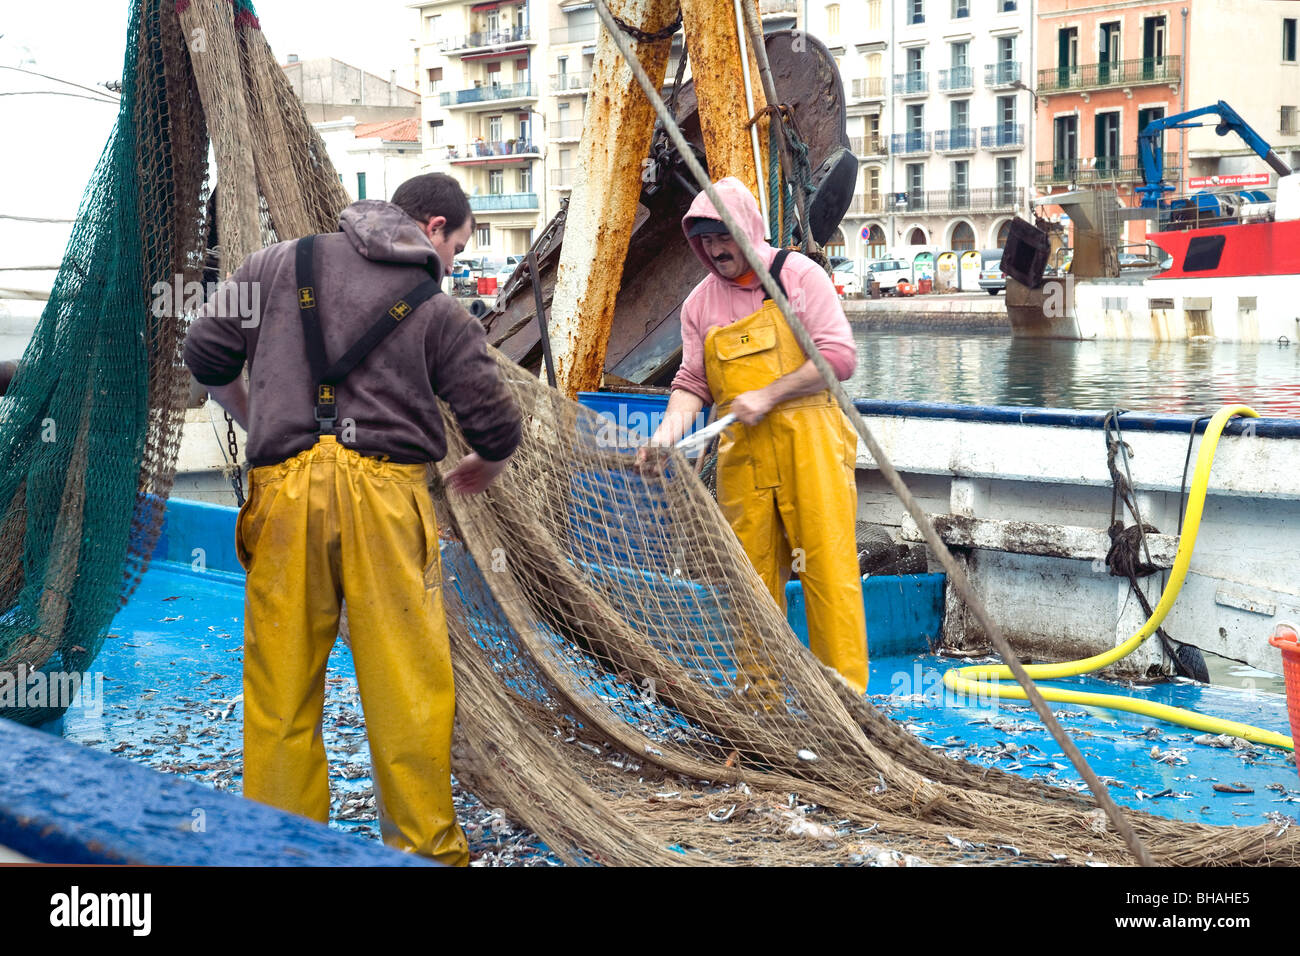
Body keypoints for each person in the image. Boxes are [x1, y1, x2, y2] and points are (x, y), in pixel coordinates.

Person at [183, 172, 522, 866]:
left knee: (279, 690)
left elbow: (204, 354)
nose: (452, 264)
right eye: (456, 248)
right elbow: (494, 419)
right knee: (408, 689)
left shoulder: (278, 262)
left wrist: (259, 417)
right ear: (432, 228)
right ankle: (425, 854)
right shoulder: (436, 307)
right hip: (386, 500)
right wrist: (486, 463)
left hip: (283, 494)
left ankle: (280, 853)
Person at [644, 176, 868, 696]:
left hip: (808, 441)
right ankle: (761, 706)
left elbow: (839, 358)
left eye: (725, 236)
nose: (717, 250)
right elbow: (692, 385)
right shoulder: (699, 304)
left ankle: (850, 711)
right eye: (705, 240)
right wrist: (665, 437)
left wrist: (768, 395)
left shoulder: (797, 276)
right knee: (751, 584)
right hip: (742, 457)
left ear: (748, 230)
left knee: (828, 575)